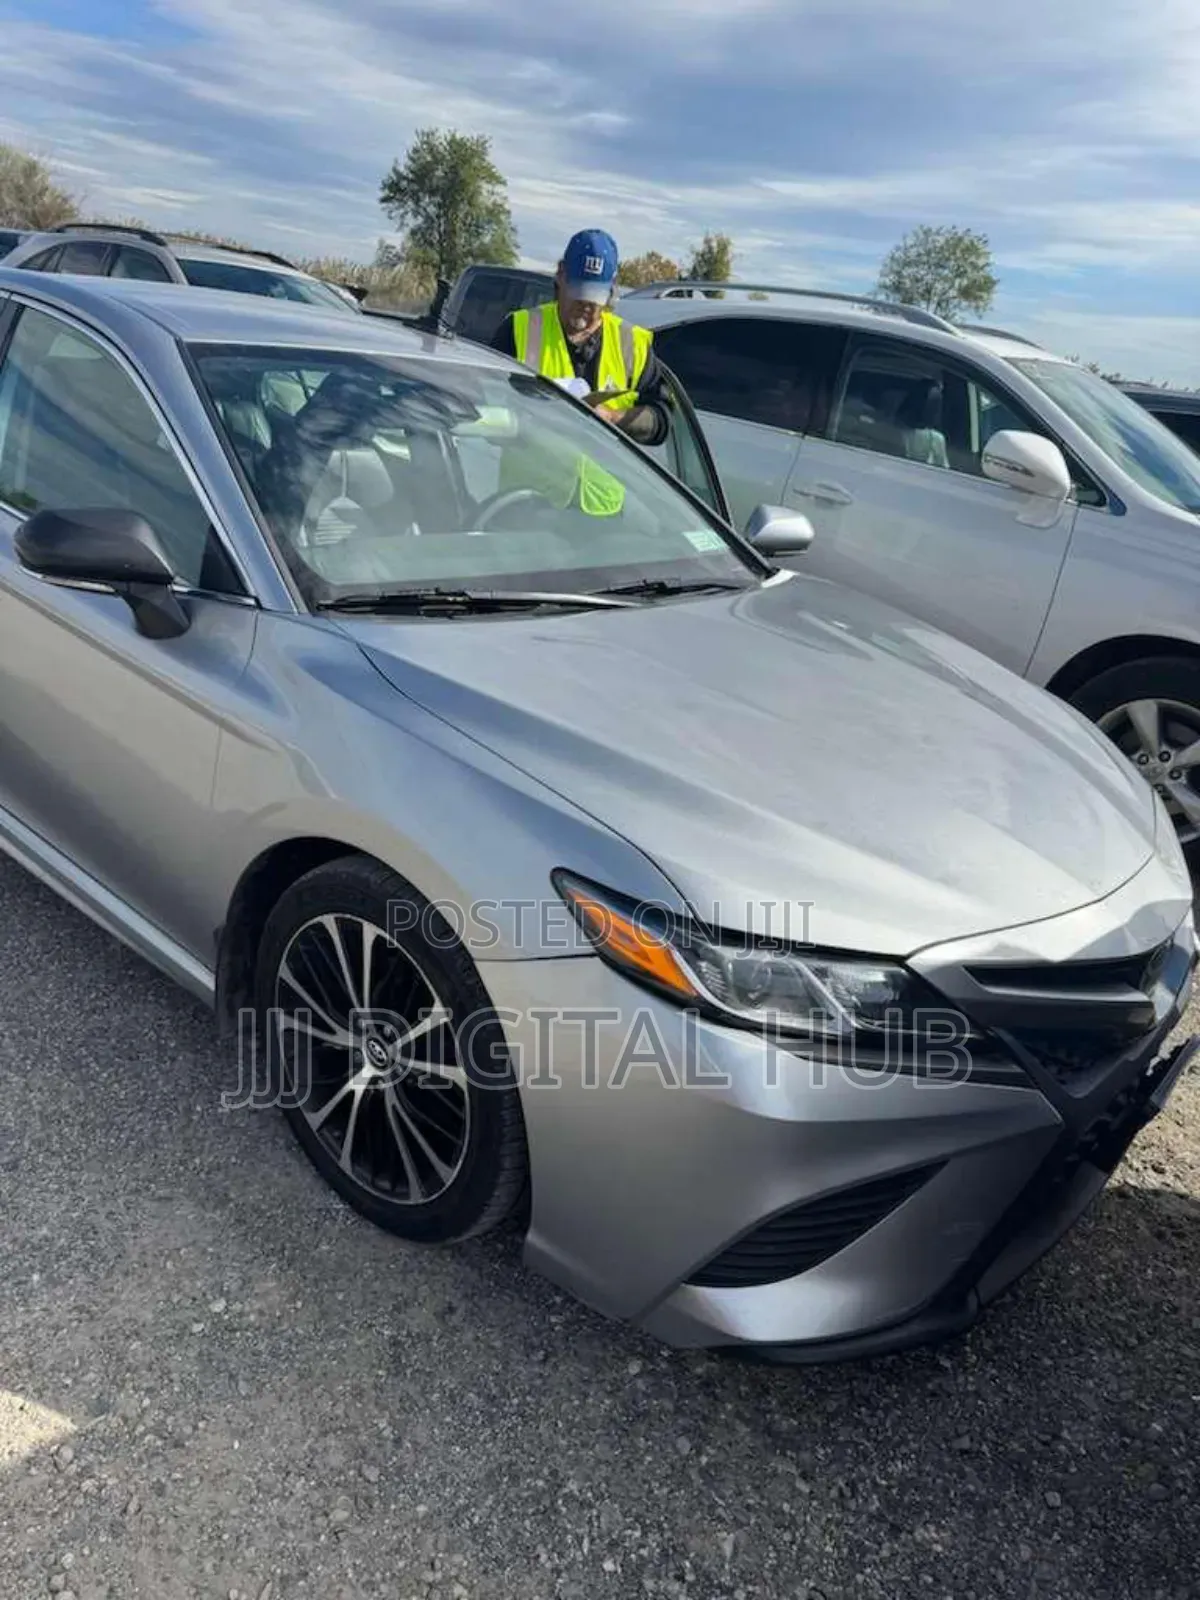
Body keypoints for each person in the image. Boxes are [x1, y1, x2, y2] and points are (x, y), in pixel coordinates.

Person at [491, 229, 671, 448]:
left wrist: (612, 418)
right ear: (560, 274)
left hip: (605, 481)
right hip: (530, 481)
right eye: (579, 290)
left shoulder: (632, 345)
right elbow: (486, 403)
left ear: (611, 289)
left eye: (595, 295)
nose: (586, 304)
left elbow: (660, 421)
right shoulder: (519, 330)